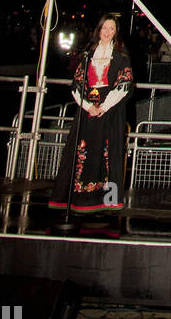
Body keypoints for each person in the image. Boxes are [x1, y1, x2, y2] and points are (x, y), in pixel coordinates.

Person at [48, 13, 134, 212]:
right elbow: (77, 84)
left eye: (111, 29)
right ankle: (76, 197)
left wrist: (104, 107)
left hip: (109, 112)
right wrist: (88, 106)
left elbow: (124, 85)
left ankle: (109, 199)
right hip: (87, 110)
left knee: (108, 154)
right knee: (81, 152)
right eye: (105, 28)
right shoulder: (87, 55)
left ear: (115, 32)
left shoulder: (121, 57)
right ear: (99, 30)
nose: (107, 32)